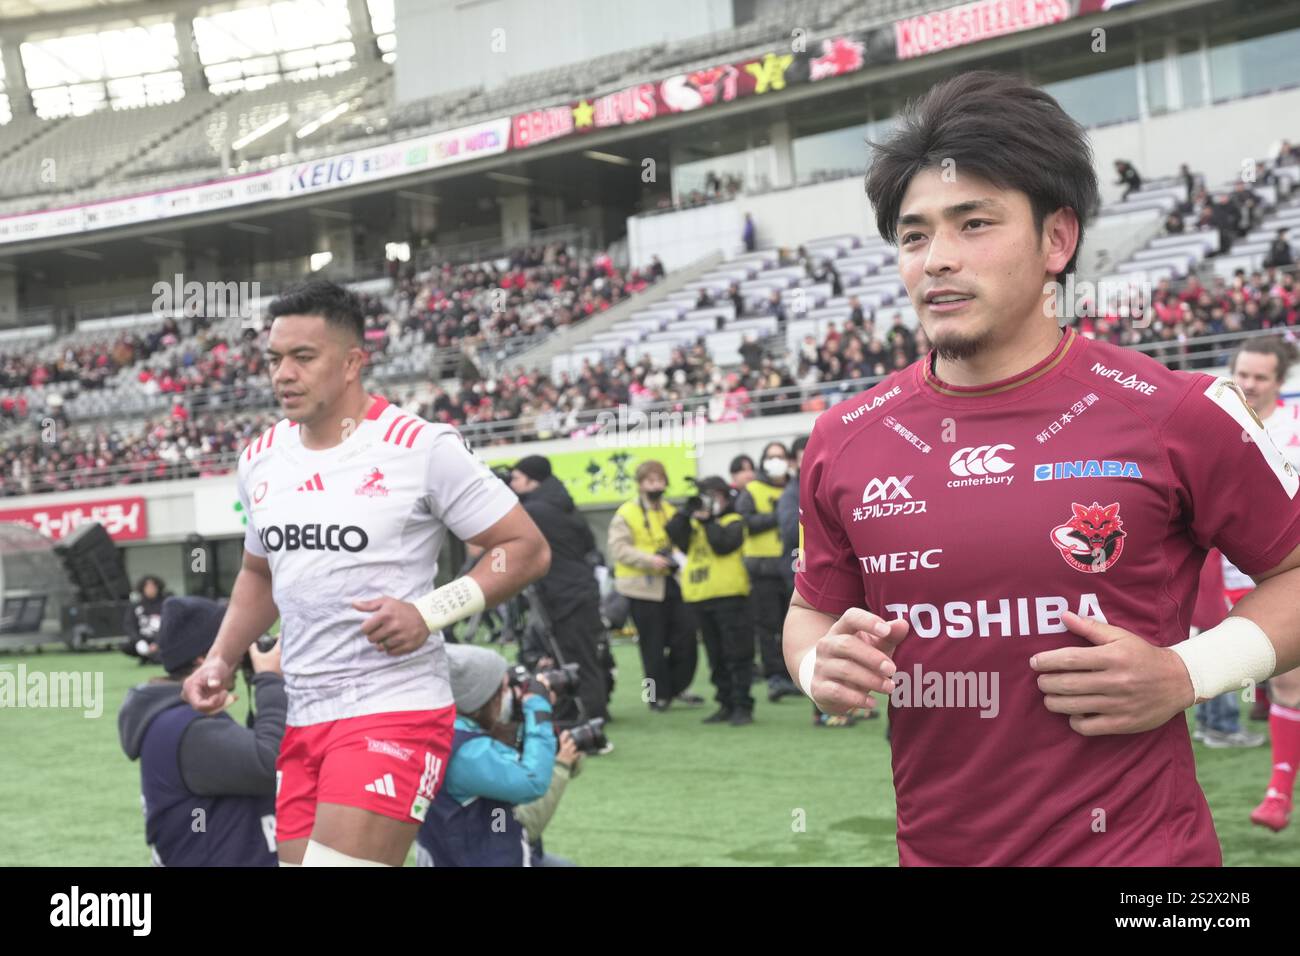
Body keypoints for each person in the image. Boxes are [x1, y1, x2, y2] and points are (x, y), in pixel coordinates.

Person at [789, 70, 1300, 866]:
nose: (937, 261)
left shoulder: (1175, 411)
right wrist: (820, 664)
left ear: (1057, 239)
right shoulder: (844, 437)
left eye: (974, 224)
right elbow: (811, 613)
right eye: (915, 235)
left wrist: (1188, 671)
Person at [181, 279, 551, 867]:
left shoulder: (420, 447)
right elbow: (260, 573)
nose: (283, 374)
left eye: (304, 357)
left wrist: (429, 612)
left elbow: (523, 548)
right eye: (274, 358)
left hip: (393, 709)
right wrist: (222, 658)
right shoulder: (260, 458)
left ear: (353, 362)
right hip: (302, 716)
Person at [119, 597, 285, 866]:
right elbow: (271, 765)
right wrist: (270, 680)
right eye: (233, 644)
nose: (242, 650)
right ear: (204, 659)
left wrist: (259, 681)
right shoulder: (184, 728)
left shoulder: (179, 716)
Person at [1219, 338, 1300, 831]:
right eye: (1242, 373)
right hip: (1228, 577)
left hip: (1286, 576)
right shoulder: (1216, 425)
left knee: (1288, 681)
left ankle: (1277, 792)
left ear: (1280, 382)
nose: (1248, 384)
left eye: (1260, 377)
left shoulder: (1294, 430)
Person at [415, 645, 556, 866]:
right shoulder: (466, 753)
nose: (508, 696)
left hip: (459, 850)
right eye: (504, 689)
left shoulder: (442, 733)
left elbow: (503, 761)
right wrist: (538, 709)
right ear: (482, 698)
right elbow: (532, 779)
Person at [509, 454, 611, 731]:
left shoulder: (535, 510)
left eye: (516, 478)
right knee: (587, 655)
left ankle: (589, 718)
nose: (512, 484)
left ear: (533, 480)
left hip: (562, 593)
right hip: (581, 588)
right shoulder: (564, 504)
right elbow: (587, 543)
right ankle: (594, 711)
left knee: (573, 658)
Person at [607, 460, 701, 710]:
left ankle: (676, 687)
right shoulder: (626, 512)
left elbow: (683, 542)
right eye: (650, 481)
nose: (656, 485)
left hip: (673, 583)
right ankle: (654, 696)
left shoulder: (670, 510)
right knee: (652, 646)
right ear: (640, 484)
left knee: (686, 639)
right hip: (641, 588)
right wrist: (650, 559)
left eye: (660, 480)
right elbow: (618, 548)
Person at [666, 476, 754, 725]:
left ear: (726, 497)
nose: (710, 502)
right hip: (700, 597)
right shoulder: (693, 523)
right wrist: (686, 512)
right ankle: (725, 703)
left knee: (737, 654)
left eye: (715, 496)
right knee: (715, 656)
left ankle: (742, 705)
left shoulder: (733, 521)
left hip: (730, 596)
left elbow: (722, 545)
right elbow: (674, 535)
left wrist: (708, 520)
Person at [737, 441, 800, 702]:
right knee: (768, 624)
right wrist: (778, 515)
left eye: (780, 456)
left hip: (793, 565)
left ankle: (795, 673)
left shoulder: (796, 486)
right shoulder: (752, 490)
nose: (776, 461)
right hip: (762, 568)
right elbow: (745, 521)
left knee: (794, 623)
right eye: (771, 457)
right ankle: (775, 675)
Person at [121, 575, 169, 665]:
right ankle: (147, 656)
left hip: (162, 639)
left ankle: (153, 657)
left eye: (153, 587)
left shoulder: (166, 604)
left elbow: (169, 625)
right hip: (144, 639)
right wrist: (139, 641)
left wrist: (157, 643)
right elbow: (129, 625)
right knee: (127, 646)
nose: (150, 589)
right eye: (147, 587)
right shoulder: (135, 605)